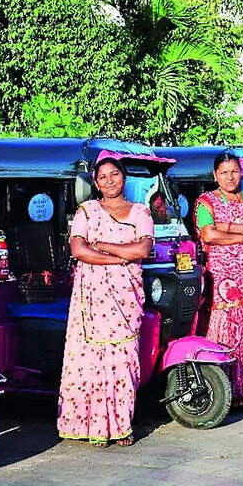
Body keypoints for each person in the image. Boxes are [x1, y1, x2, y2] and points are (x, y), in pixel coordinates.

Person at [58, 156, 154, 447]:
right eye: (103, 177)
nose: (110, 181)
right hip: (92, 300)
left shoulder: (140, 212)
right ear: (96, 183)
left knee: (123, 360)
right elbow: (78, 250)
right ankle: (92, 426)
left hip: (126, 298)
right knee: (89, 360)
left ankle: (121, 425)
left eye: (115, 174)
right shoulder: (87, 211)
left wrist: (101, 246)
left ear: (124, 177)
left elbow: (143, 249)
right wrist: (120, 257)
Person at [195, 151, 243, 411]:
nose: (230, 177)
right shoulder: (206, 202)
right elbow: (208, 235)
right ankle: (219, 394)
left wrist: (227, 227)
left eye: (234, 172)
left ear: (241, 173)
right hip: (221, 279)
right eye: (224, 172)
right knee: (221, 330)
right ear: (215, 175)